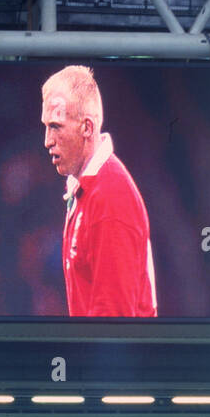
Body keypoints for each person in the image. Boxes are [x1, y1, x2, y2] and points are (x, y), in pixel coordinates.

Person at [41, 65, 157, 319]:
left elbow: (113, 323)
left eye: (56, 127)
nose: (47, 140)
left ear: (87, 128)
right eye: (46, 127)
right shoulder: (89, 189)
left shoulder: (109, 198)